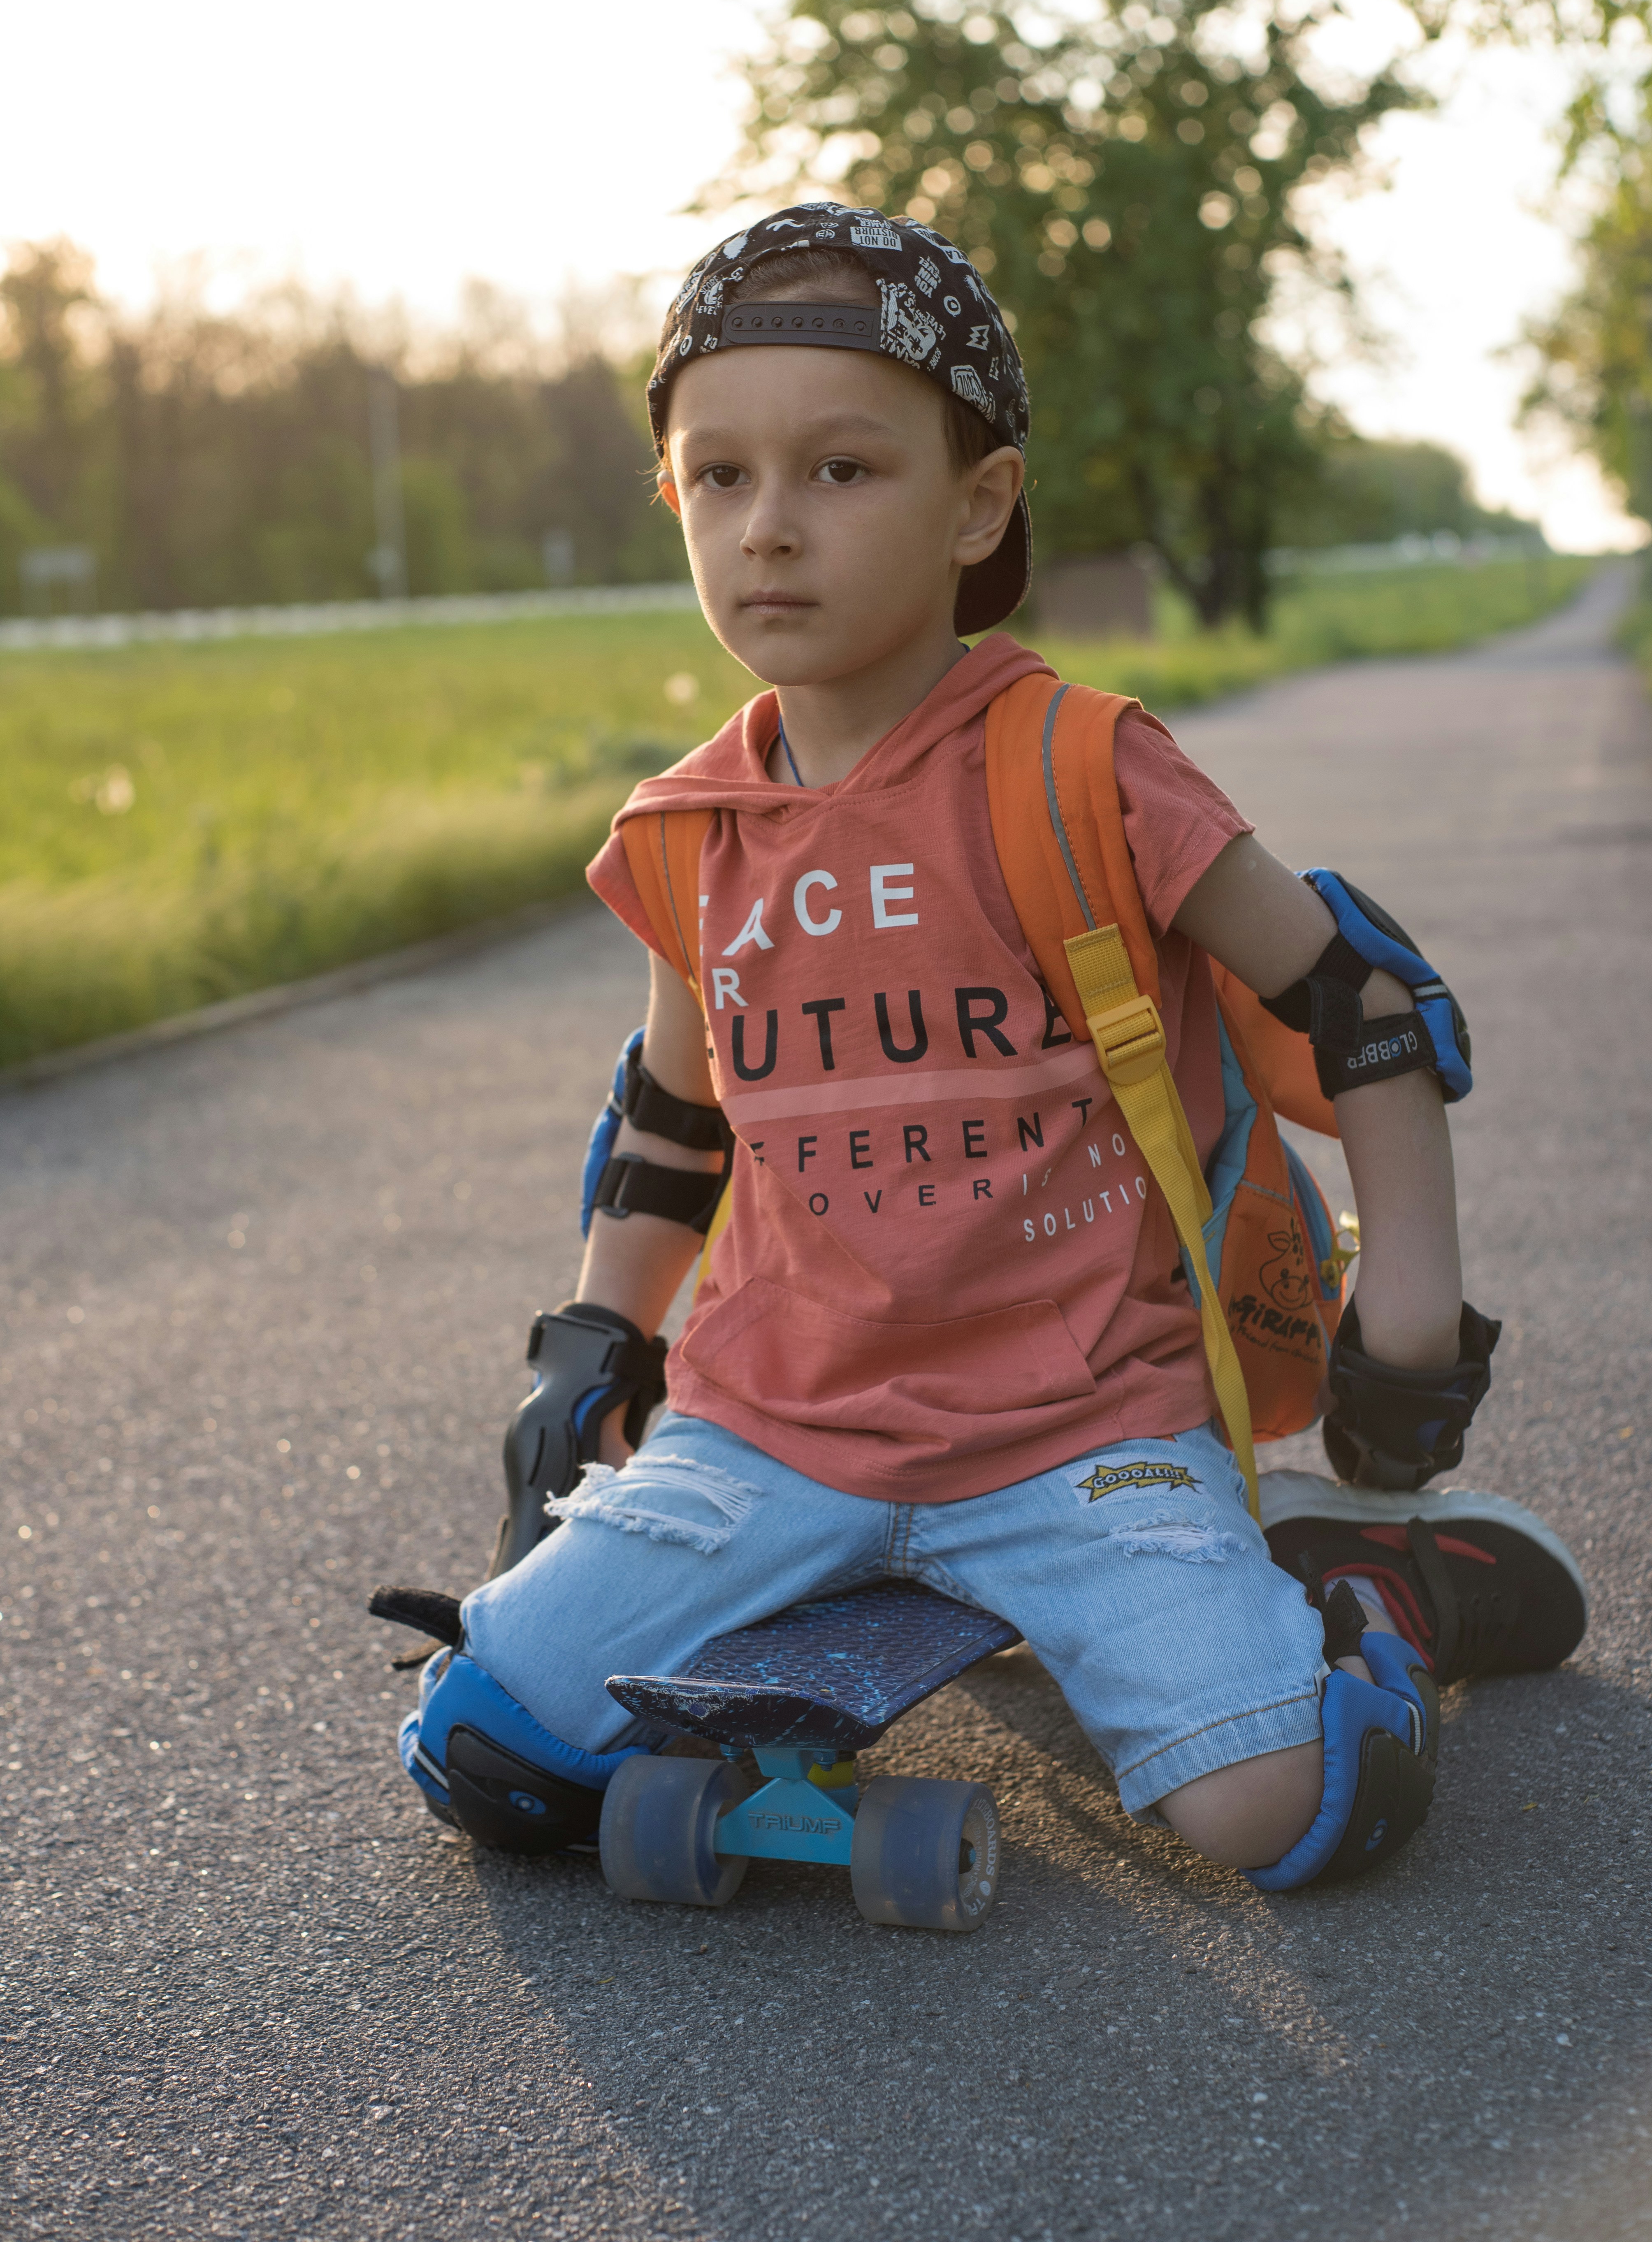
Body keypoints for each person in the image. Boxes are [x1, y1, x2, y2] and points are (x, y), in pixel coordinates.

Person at [385, 205, 1585, 1888]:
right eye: (716, 479)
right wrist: (594, 1342)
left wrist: (1402, 1337)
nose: (770, 530)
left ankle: (1368, 1587)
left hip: (1084, 1425)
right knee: (487, 1746)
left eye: (841, 472)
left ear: (978, 503)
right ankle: (840, 1601)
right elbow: (672, 1121)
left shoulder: (1075, 767)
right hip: (773, 1431)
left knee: (1284, 1814)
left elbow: (1360, 1009)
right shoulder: (687, 831)